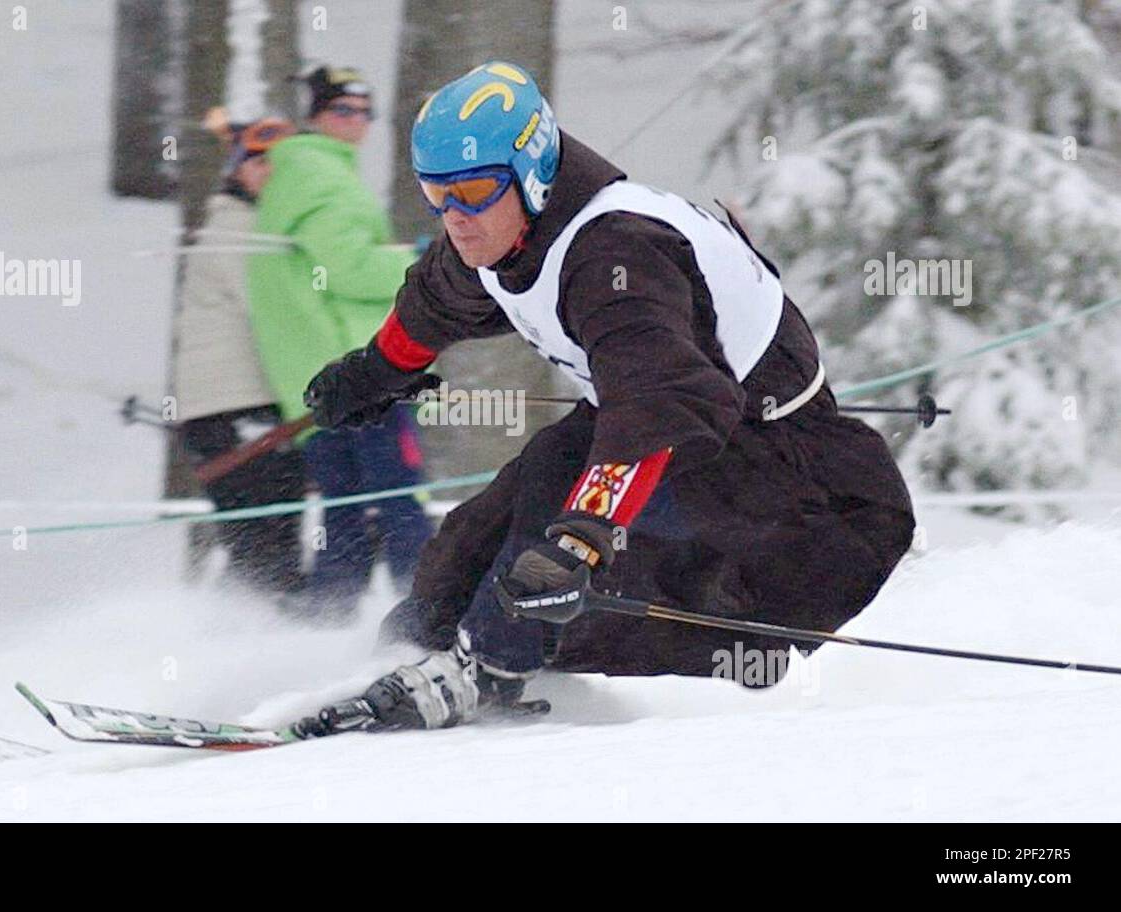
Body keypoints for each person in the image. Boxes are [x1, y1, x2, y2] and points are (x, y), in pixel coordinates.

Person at [301, 61, 916, 731]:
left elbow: (659, 403)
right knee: (470, 537)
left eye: (472, 191)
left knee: (549, 516)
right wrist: (371, 373)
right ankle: (408, 657)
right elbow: (434, 304)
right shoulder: (498, 232)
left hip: (782, 469)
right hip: (661, 422)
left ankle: (487, 669)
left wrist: (582, 541)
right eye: (435, 195)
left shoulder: (616, 256)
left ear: (532, 170)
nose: (455, 217)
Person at [248, 66, 433, 622]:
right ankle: (432, 618)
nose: (356, 123)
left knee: (346, 512)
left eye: (364, 111)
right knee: (401, 501)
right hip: (361, 373)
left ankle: (324, 629)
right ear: (316, 117)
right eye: (341, 110)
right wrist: (418, 262)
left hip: (316, 382)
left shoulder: (294, 177)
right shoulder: (323, 178)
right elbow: (348, 269)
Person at [175, 114, 307, 593]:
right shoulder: (237, 228)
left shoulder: (257, 227)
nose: (273, 172)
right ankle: (246, 640)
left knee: (266, 544)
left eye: (283, 163)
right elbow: (274, 309)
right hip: (232, 411)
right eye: (260, 162)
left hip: (247, 408)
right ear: (238, 168)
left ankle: (237, 635)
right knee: (266, 552)